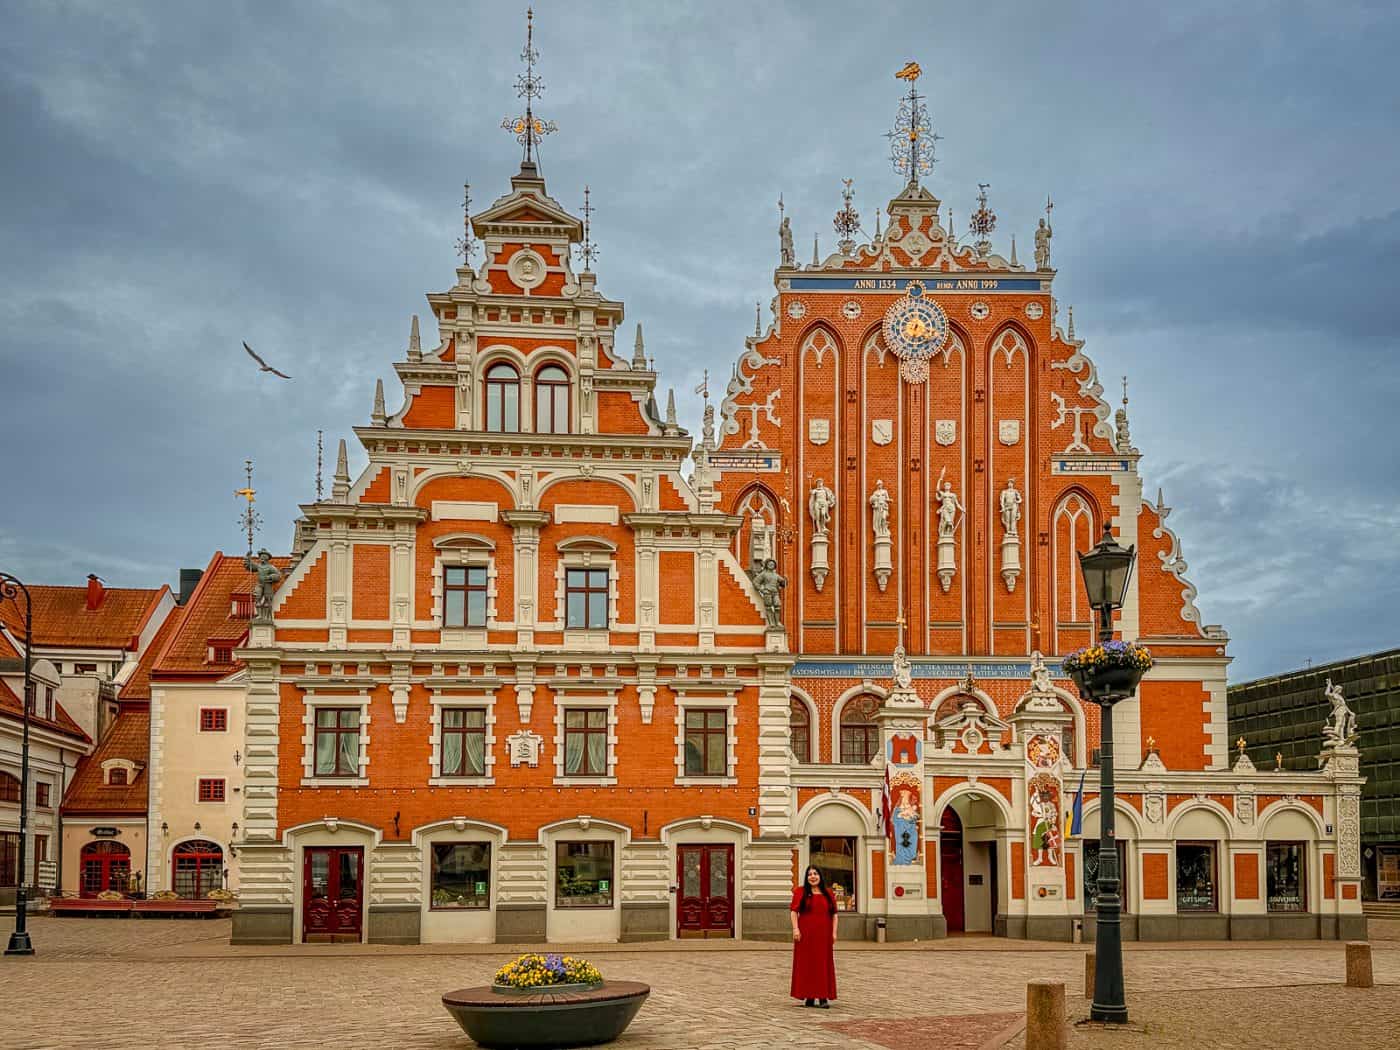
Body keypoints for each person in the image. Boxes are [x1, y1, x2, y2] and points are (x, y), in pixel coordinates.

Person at [789, 865, 838, 1008]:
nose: (812, 876)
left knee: (822, 964)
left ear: (820, 876)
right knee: (807, 964)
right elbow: (793, 912)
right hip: (805, 934)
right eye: (809, 874)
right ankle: (809, 996)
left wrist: (834, 932)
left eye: (815, 873)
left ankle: (823, 997)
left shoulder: (828, 893)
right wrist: (795, 929)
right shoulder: (801, 892)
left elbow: (834, 914)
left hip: (823, 934)